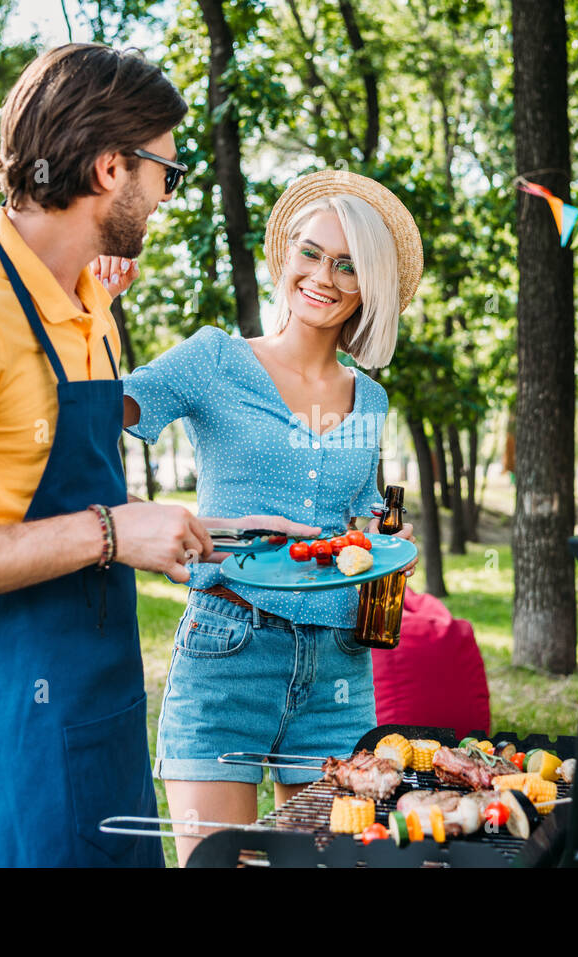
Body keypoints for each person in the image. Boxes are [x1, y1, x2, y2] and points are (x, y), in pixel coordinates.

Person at [0, 44, 315, 867]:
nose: (169, 194)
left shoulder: (90, 304)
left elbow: (68, 501)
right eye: (167, 172)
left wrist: (204, 529)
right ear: (109, 168)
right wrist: (110, 533)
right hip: (1, 734)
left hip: (100, 721)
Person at [120, 170, 422, 866]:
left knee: (333, 861)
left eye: (348, 265)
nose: (324, 275)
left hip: (339, 668)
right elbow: (94, 415)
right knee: (219, 864)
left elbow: (355, 509)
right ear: (284, 254)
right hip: (229, 647)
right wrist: (92, 301)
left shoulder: (369, 398)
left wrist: (380, 533)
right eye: (311, 252)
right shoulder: (214, 361)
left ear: (367, 286)